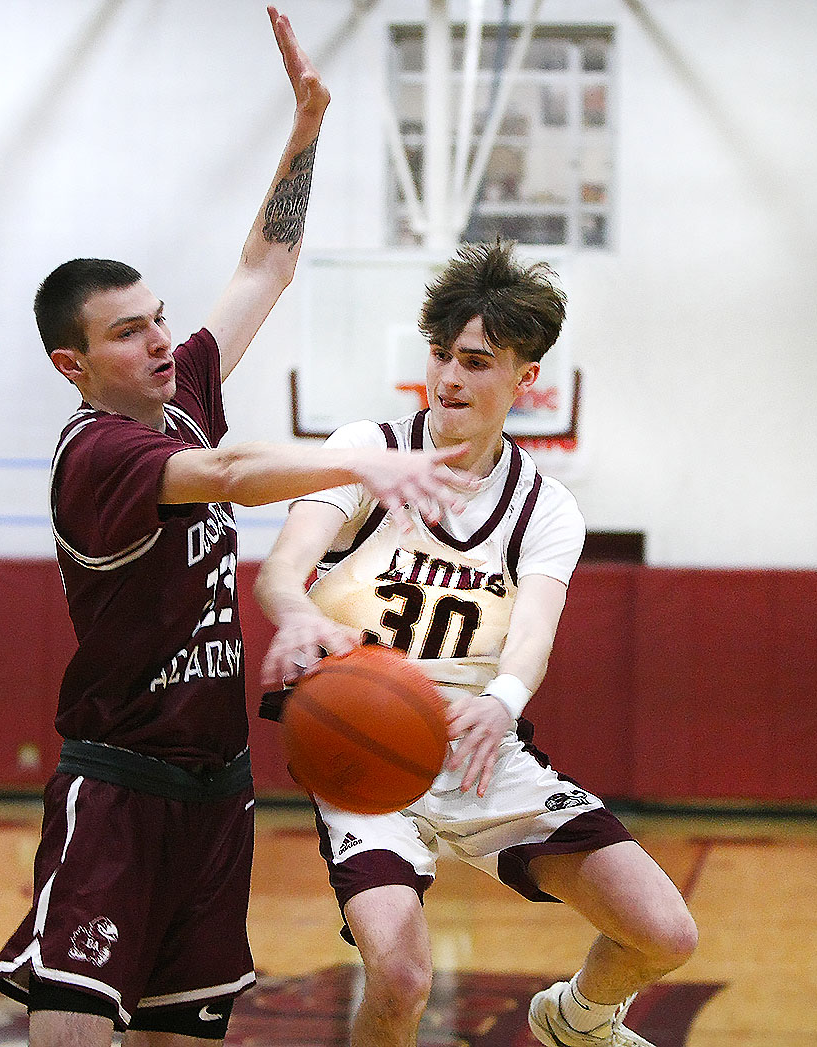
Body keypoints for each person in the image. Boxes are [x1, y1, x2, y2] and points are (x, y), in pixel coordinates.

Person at [0, 10, 470, 1047]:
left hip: (216, 794)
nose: (163, 340)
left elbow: (264, 266)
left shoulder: (182, 385)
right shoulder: (98, 454)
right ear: (73, 366)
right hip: (118, 785)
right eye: (129, 332)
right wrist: (364, 459)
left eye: (158, 316)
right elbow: (230, 474)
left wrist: (306, 127)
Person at [254, 241, 699, 1047]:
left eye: (476, 360)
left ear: (526, 378)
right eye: (440, 353)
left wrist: (504, 699)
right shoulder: (373, 449)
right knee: (400, 978)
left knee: (666, 932)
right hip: (369, 758)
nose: (449, 376)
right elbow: (282, 567)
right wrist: (296, 611)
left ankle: (580, 1017)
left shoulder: (545, 508)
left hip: (479, 748)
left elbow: (532, 630)